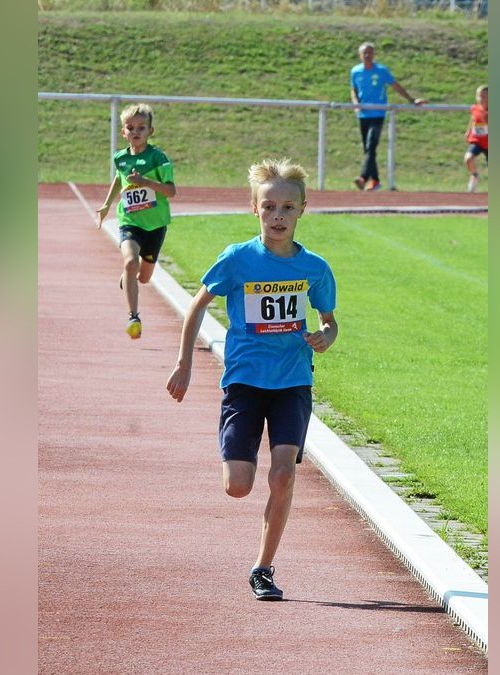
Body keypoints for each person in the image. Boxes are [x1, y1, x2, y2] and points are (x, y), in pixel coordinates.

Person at [166, 158, 338, 601]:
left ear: (303, 210)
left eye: (286, 207)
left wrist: (325, 337)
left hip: (293, 382)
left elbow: (330, 321)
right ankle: (235, 445)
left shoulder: (315, 268)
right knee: (238, 486)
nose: (277, 216)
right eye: (269, 207)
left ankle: (263, 568)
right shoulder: (238, 259)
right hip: (244, 381)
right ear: (254, 209)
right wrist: (185, 364)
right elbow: (197, 305)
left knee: (282, 476)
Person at [96, 103, 177, 340]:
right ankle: (133, 316)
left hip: (155, 225)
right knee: (131, 261)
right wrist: (107, 203)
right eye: (130, 128)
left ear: (151, 131)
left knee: (144, 277)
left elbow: (171, 191)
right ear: (123, 132)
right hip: (129, 221)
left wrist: (146, 182)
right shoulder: (120, 158)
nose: (135, 132)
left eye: (141, 127)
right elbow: (120, 181)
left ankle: (129, 276)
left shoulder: (158, 158)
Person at [349, 42, 426, 192]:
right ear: (360, 55)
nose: (367, 56)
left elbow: (395, 86)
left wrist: (411, 100)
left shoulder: (382, 71)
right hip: (363, 114)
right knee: (368, 149)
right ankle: (376, 180)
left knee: (371, 145)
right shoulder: (355, 71)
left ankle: (363, 178)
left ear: (374, 54)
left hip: (378, 113)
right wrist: (355, 104)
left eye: (370, 53)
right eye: (364, 53)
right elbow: (354, 90)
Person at [465, 85, 488, 193]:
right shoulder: (475, 108)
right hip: (478, 140)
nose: (480, 99)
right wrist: (468, 131)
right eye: (479, 96)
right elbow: (473, 119)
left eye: (484, 96)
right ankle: (474, 175)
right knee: (468, 158)